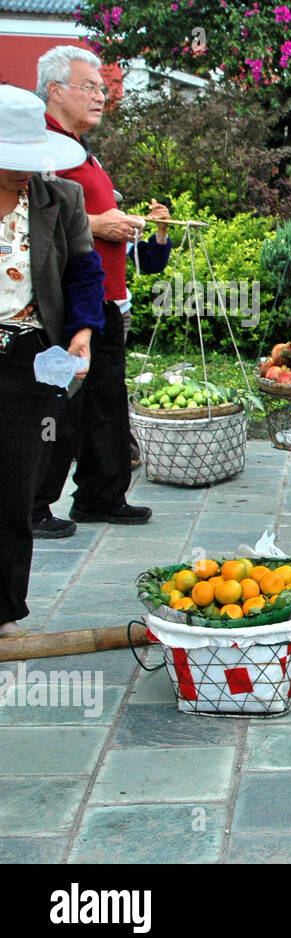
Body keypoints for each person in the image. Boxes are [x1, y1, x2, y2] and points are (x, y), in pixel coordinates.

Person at [30, 45, 162, 538]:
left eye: (104, 89)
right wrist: (98, 222)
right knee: (59, 403)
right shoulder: (38, 148)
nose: (101, 97)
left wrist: (123, 226)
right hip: (64, 302)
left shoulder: (79, 148)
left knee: (105, 399)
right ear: (55, 90)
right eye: (90, 87)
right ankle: (36, 503)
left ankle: (102, 494)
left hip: (103, 295)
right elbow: (34, 219)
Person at [0, 85, 104, 635]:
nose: (21, 172)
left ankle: (4, 609)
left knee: (16, 485)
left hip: (28, 354)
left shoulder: (58, 198)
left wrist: (83, 331)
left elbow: (85, 273)